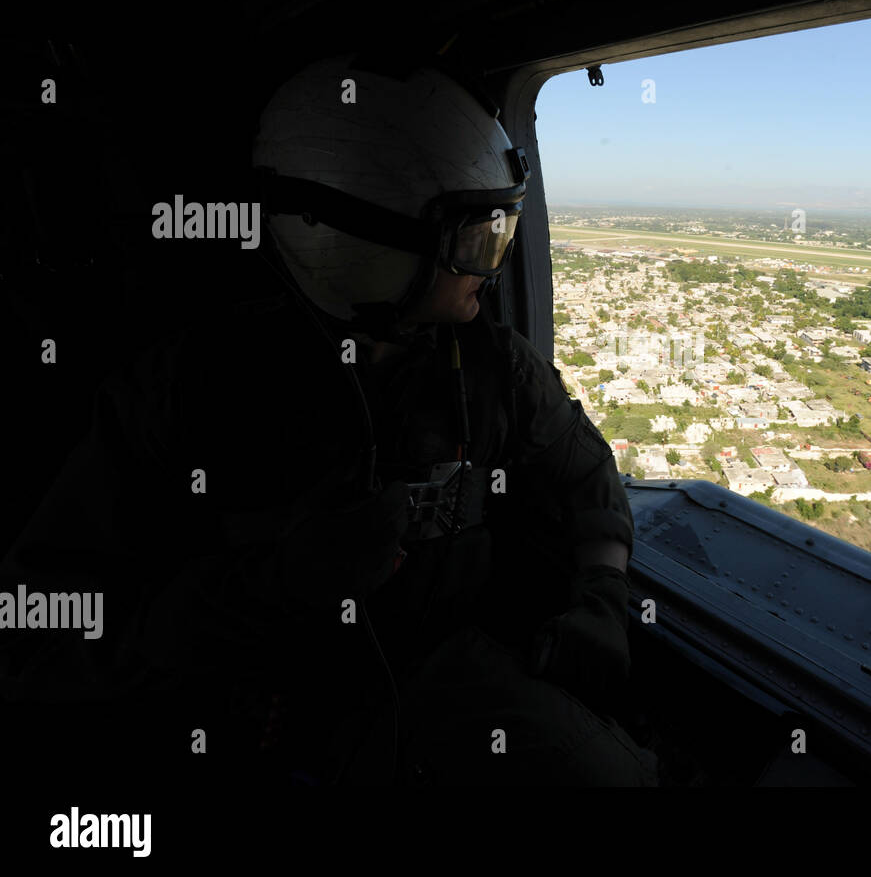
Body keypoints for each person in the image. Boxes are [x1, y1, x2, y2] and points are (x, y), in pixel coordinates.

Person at [0, 55, 657, 787]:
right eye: (475, 239)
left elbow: (586, 471)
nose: (492, 267)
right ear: (362, 250)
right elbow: (37, 633)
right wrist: (260, 590)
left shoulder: (490, 364)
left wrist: (602, 595)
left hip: (440, 687)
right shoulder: (186, 392)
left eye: (501, 233)